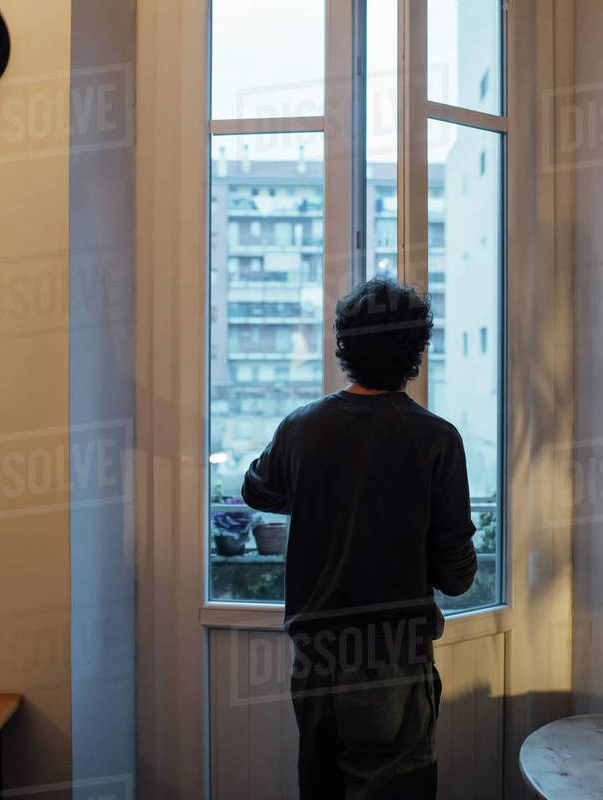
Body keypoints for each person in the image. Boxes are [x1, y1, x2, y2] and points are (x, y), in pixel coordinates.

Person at [242, 276, 477, 800]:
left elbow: (256, 490)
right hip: (393, 662)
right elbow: (457, 576)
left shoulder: (301, 427)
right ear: (415, 351)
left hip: (316, 660)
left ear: (344, 346)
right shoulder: (436, 439)